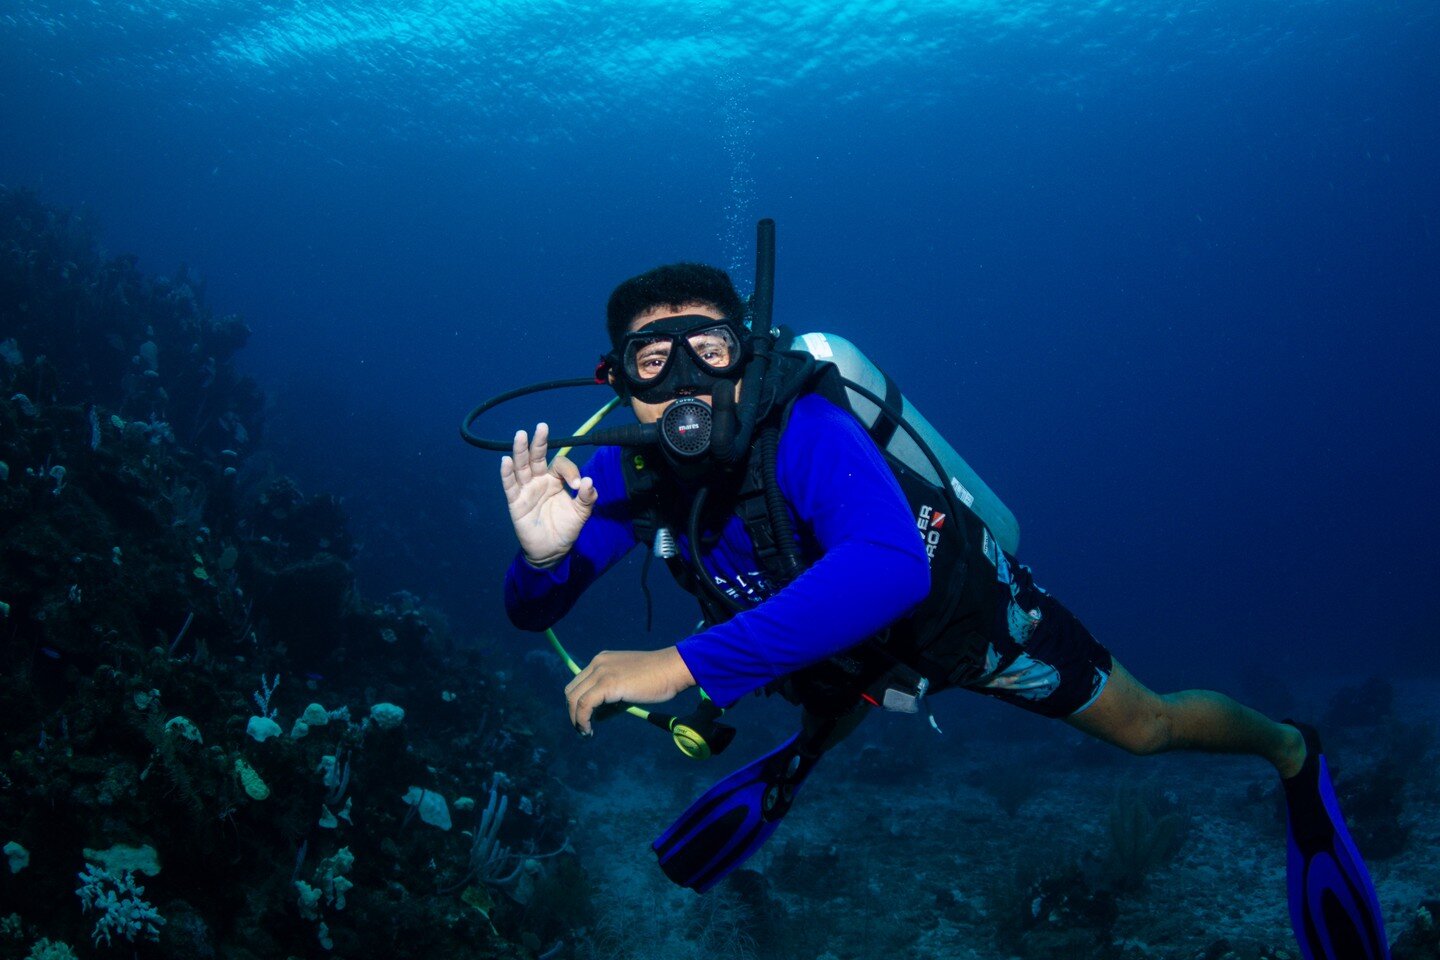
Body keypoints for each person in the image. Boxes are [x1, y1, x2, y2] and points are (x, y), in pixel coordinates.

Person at [498, 262, 1389, 959]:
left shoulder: (804, 430)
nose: (686, 381)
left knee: (1146, 729)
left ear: (748, 351)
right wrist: (540, 561)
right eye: (654, 362)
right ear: (619, 383)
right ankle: (814, 736)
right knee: (835, 678)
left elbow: (891, 570)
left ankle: (1292, 751)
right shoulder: (620, 473)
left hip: (966, 623)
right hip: (826, 646)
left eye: (709, 348)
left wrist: (681, 664)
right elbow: (531, 614)